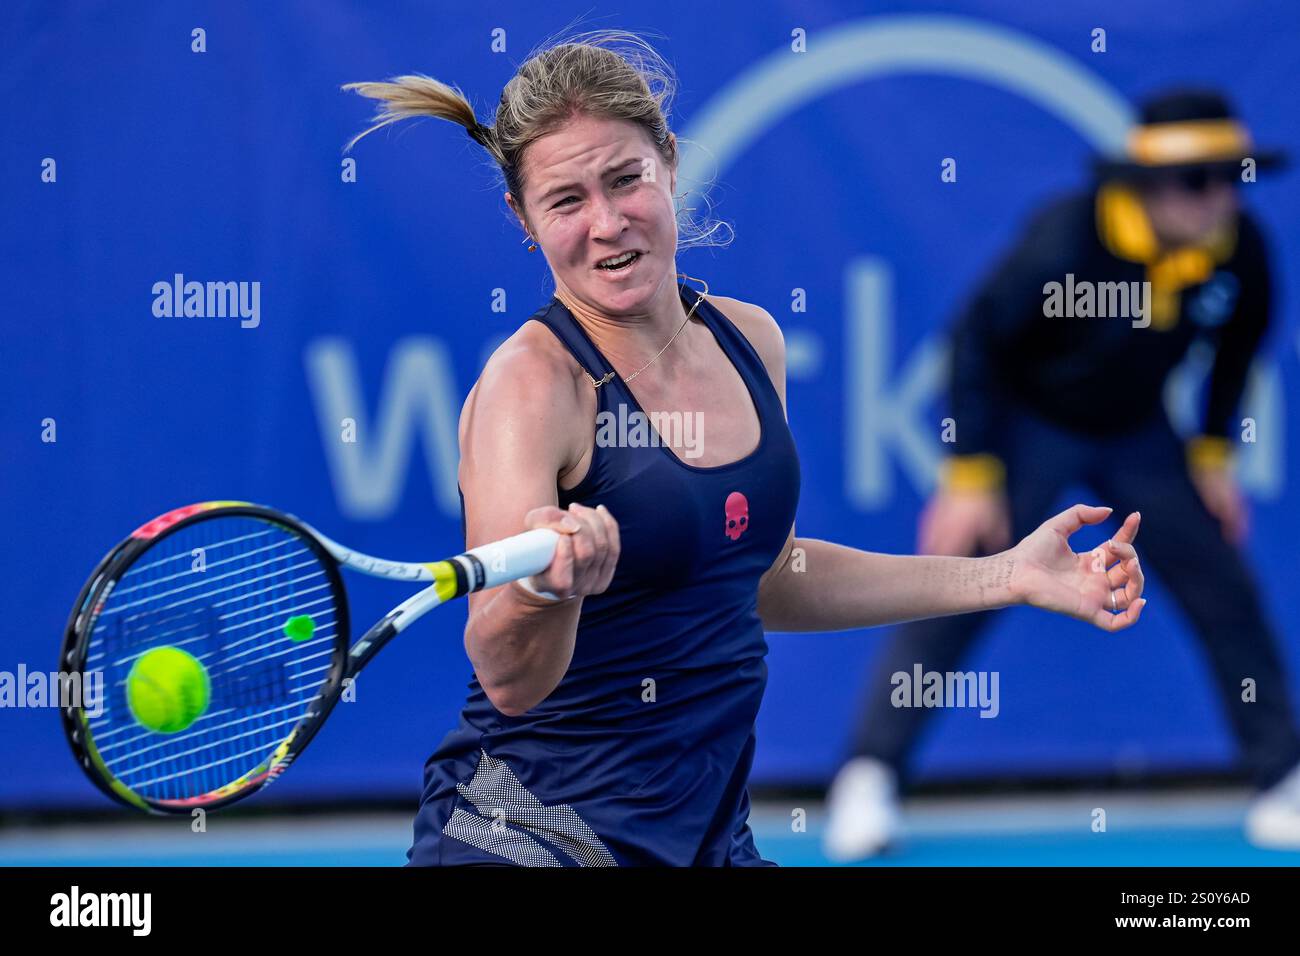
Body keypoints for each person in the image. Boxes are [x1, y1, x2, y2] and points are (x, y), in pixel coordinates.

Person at [345, 29, 1144, 867]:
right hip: (534, 843)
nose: (608, 223)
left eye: (626, 180)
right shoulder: (531, 389)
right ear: (523, 216)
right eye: (566, 201)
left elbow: (764, 576)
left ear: (670, 163)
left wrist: (1004, 574)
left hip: (706, 841)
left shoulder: (748, 340)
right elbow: (509, 678)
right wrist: (552, 593)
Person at [825, 89, 1300, 860]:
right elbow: (976, 345)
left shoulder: (1241, 249)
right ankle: (868, 776)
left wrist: (1214, 459)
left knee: (1227, 588)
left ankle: (1282, 781)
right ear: (1146, 185)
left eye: (1229, 178)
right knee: (965, 584)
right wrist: (971, 474)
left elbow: (1238, 352)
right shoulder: (1065, 242)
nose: (1217, 198)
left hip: (1139, 433)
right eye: (1195, 181)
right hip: (1029, 429)